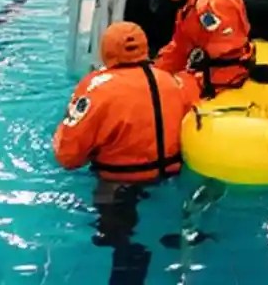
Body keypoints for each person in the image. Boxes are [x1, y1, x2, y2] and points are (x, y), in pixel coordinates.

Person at [53, 22, 199, 285]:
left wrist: (62, 129)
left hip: (117, 185)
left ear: (106, 51)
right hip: (172, 178)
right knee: (169, 234)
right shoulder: (173, 81)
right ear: (144, 49)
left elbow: (68, 157)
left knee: (115, 241)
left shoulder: (96, 88)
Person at [151, 0, 255, 97]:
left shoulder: (214, 1)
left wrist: (203, 58)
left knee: (171, 97)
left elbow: (230, 46)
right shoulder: (188, 8)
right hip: (208, 75)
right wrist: (153, 72)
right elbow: (179, 47)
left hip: (225, 79)